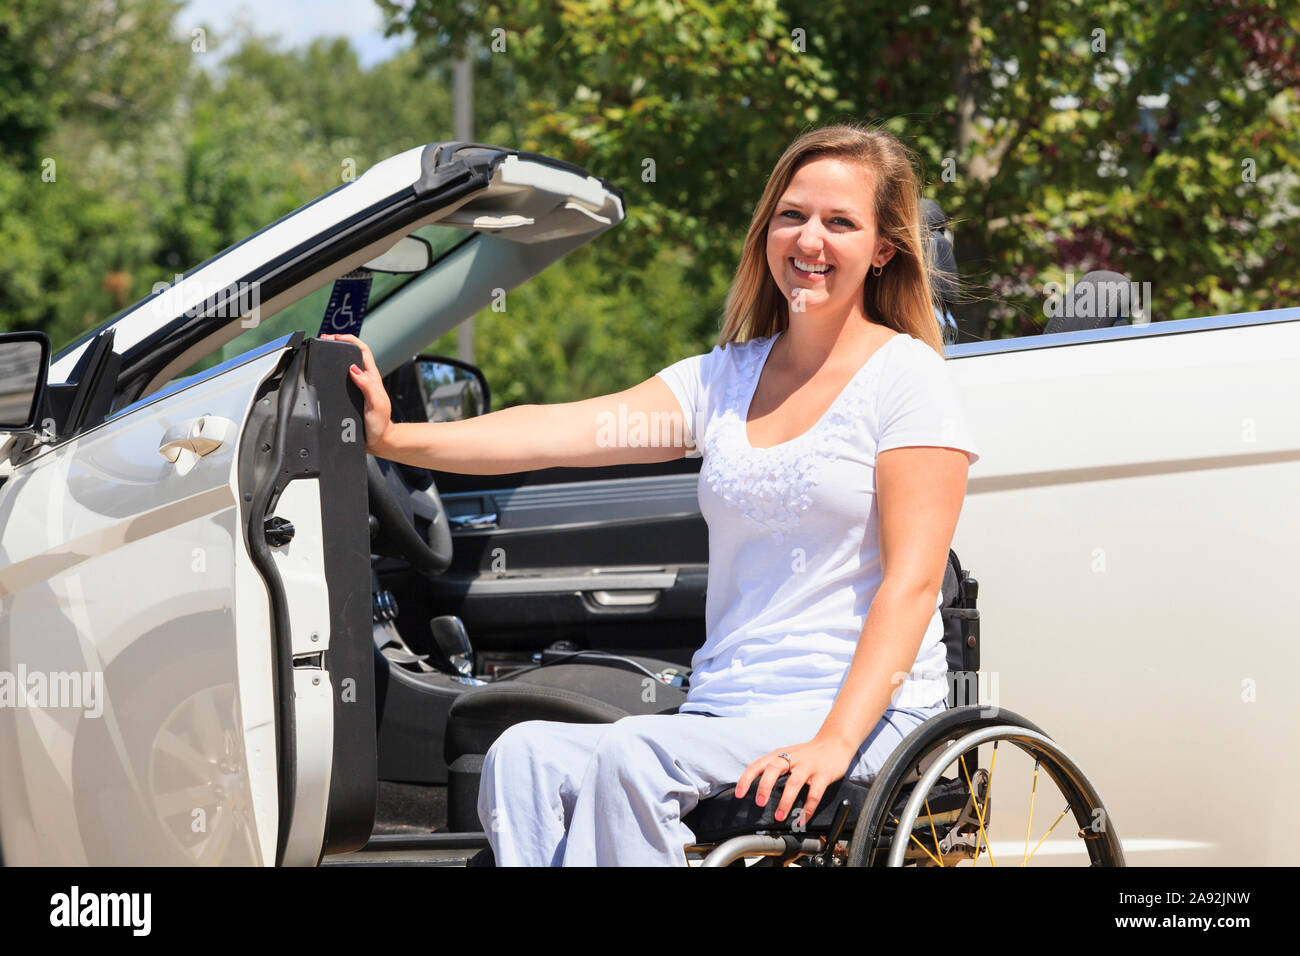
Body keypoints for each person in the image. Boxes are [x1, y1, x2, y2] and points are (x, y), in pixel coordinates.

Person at [324, 121, 981, 867]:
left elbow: (914, 583)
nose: (809, 241)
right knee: (524, 757)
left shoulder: (907, 379)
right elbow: (557, 432)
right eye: (792, 215)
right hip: (729, 707)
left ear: (883, 248)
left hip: (862, 712)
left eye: (841, 223)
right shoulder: (725, 378)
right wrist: (391, 440)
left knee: (631, 756)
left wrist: (834, 738)